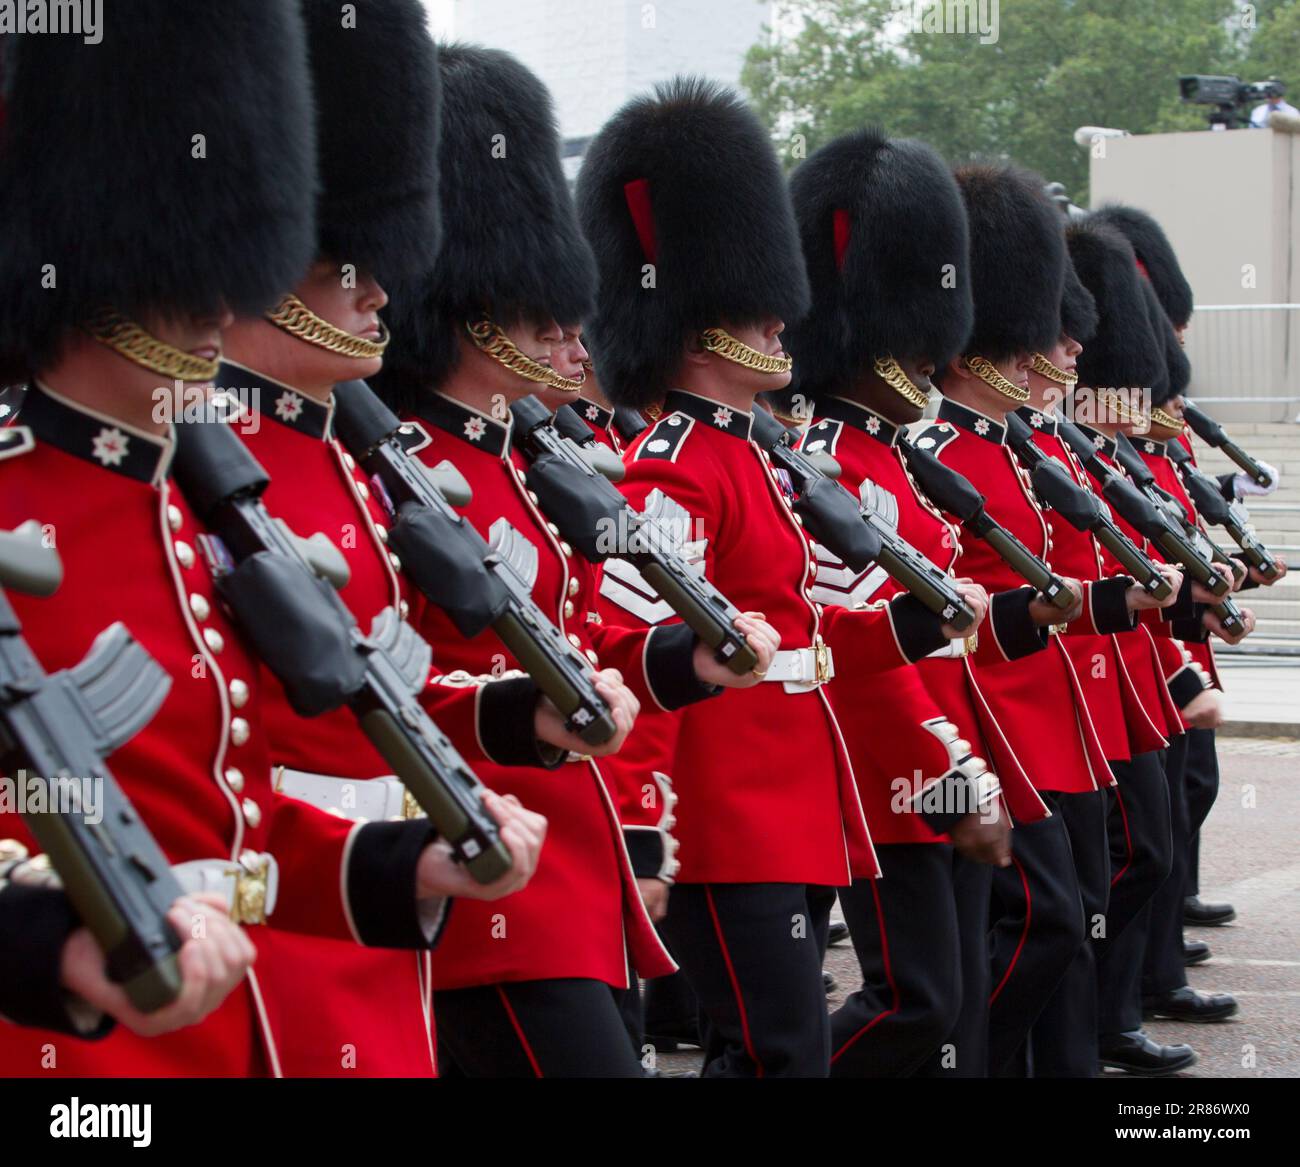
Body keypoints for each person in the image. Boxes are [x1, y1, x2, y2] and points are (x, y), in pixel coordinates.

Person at [0, 0, 540, 1077]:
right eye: (183, 267)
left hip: (246, 1026)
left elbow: (232, 829)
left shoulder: (187, 506)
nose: (223, 300)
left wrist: (405, 864)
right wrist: (45, 937)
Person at [375, 47, 779, 1078]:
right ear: (467, 302)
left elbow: (585, 637)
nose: (561, 333)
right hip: (484, 861)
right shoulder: (398, 465)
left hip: (568, 859)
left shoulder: (521, 458)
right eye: (531, 310)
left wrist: (687, 662)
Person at [577, 79, 976, 1078]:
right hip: (722, 816)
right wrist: (637, 821)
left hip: (792, 801)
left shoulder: (754, 454)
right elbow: (634, 654)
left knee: (775, 1051)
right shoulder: (669, 466)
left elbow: (799, 637)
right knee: (773, 1053)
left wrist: (914, 626)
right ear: (701, 315)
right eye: (756, 311)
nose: (779, 324)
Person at [216, 0, 572, 1077]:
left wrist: (524, 712)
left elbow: (401, 682)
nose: (375, 288)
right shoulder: (208, 468)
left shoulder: (351, 466)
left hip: (383, 913)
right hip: (271, 948)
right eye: (341, 264)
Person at [776, 127, 1021, 1078]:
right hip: (893, 773)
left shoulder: (894, 461)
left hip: (938, 756)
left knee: (951, 1018)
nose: (929, 359)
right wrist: (951, 770)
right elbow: (864, 654)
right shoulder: (834, 466)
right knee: (916, 1001)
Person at [915, 162, 1115, 1077]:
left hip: (1050, 714)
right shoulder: (935, 448)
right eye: (1039, 336)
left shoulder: (1011, 443)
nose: (1061, 353)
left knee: (1072, 921)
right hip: (989, 723)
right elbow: (944, 610)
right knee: (1043, 923)